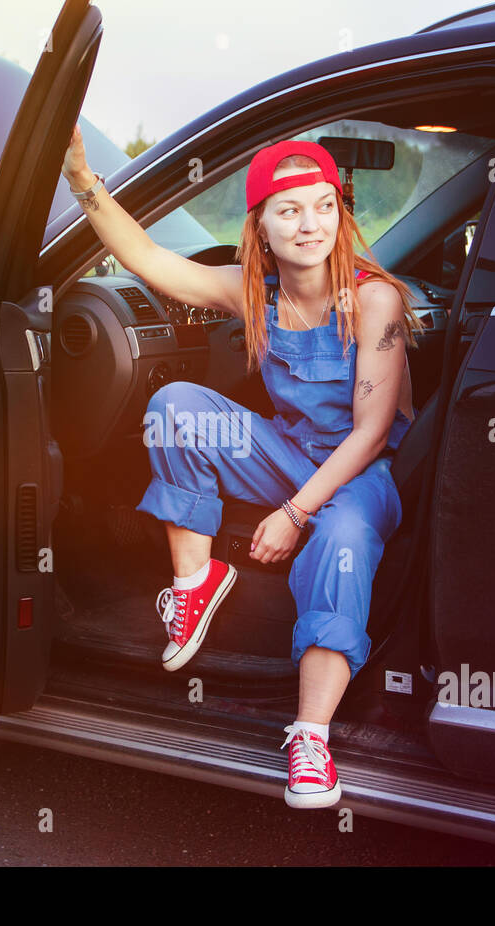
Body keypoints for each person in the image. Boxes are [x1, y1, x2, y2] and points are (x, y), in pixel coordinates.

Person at [61, 127, 424, 808]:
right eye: (289, 210)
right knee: (175, 406)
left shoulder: (376, 300)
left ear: (339, 215)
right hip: (287, 455)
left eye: (323, 206)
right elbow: (146, 257)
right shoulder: (251, 291)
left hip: (361, 475)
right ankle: (196, 582)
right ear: (259, 226)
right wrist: (82, 178)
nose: (309, 223)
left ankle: (310, 738)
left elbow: (372, 433)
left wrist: (294, 514)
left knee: (341, 542)